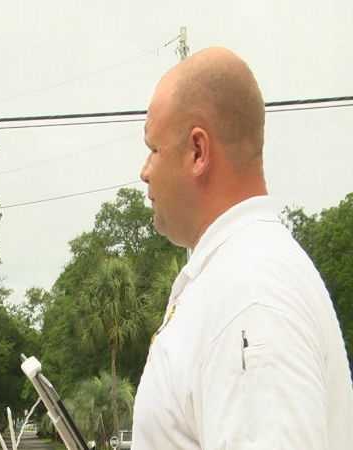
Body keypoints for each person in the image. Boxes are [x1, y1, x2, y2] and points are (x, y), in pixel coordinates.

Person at [132, 46, 353, 449]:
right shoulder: (237, 278)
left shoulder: (249, 294)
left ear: (198, 152)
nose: (144, 171)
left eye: (153, 149)